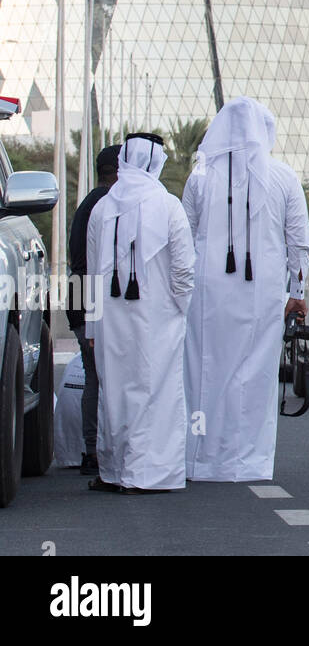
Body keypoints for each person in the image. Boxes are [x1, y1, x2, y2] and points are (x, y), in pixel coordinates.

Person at [182, 96, 309, 482]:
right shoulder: (284, 177)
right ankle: (249, 461)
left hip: (207, 295)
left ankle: (201, 460)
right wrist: (297, 290)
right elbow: (298, 242)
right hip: (264, 291)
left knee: (206, 372)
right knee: (255, 375)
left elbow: (184, 239)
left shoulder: (200, 178)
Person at [85, 133, 196, 493]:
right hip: (157, 317)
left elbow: (89, 272)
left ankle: (114, 470)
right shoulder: (167, 206)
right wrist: (182, 309)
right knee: (153, 391)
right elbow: (183, 270)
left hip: (109, 320)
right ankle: (145, 473)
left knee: (114, 390)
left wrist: (90, 325)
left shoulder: (102, 208)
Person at [66, 144, 120, 475]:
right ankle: (94, 451)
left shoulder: (91, 200)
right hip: (89, 300)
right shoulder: (105, 204)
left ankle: (93, 450)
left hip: (79, 296)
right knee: (99, 378)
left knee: (94, 376)